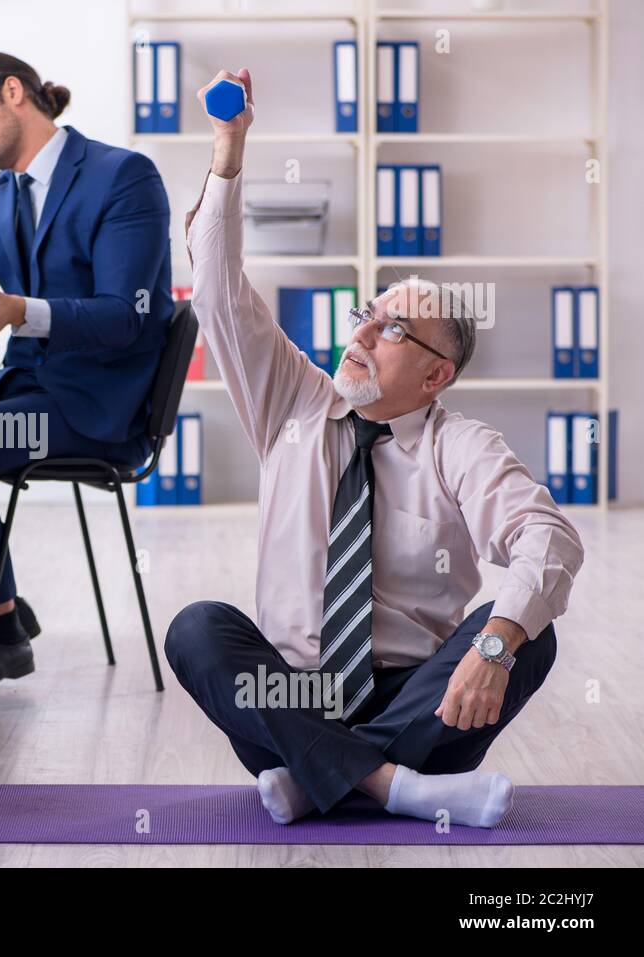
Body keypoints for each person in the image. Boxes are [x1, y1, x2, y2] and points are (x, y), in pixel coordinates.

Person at [165, 68, 585, 828]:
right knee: (196, 626)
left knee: (531, 632)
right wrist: (229, 148)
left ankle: (320, 777)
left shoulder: (461, 444)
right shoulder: (292, 401)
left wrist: (493, 645)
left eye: (391, 329)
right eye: (366, 314)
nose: (358, 334)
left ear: (436, 374)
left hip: (422, 700)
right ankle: (396, 788)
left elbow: (547, 538)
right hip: (296, 697)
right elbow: (221, 294)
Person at [0, 52, 173, 679]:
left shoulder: (122, 176)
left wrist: (18, 311)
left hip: (98, 406)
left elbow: (124, 315)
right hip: (28, 388)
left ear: (13, 91)